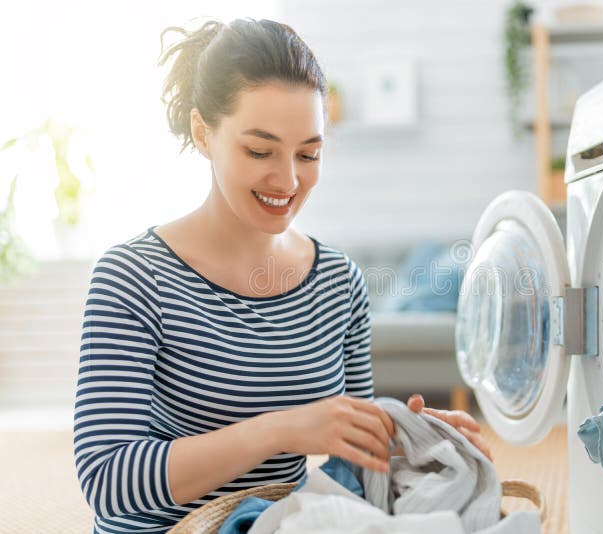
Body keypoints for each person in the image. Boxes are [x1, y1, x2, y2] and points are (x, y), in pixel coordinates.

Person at [72, 18, 491, 533]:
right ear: (204, 134)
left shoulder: (338, 281)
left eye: (309, 153)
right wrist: (280, 431)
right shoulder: (133, 277)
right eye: (260, 151)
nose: (289, 179)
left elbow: (356, 466)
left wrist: (412, 438)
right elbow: (107, 479)